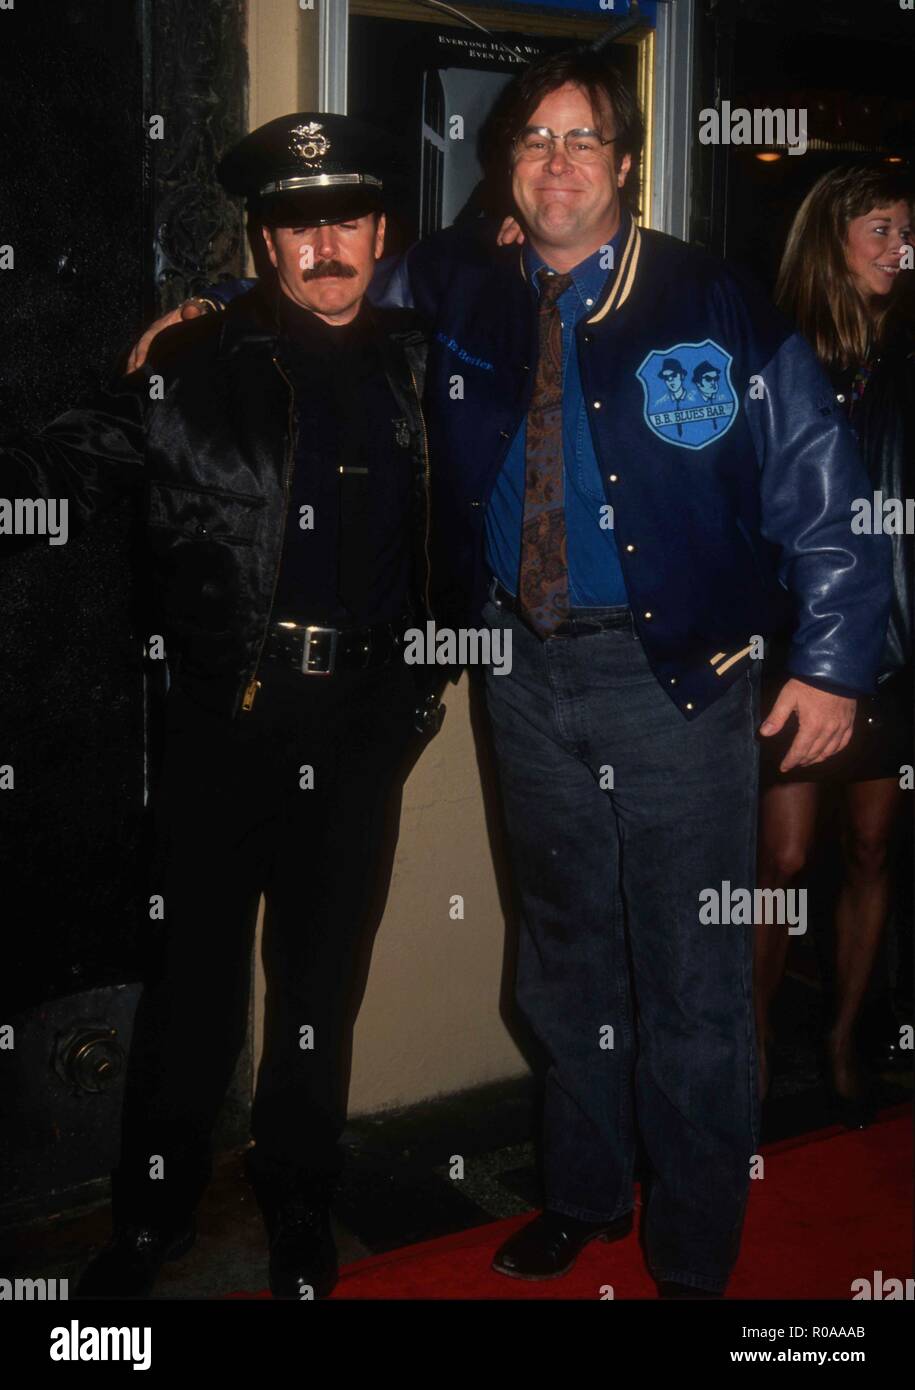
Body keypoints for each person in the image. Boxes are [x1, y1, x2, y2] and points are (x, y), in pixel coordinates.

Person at [131, 49, 892, 1299]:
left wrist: (834, 663)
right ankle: (585, 1195)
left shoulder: (717, 301)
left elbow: (826, 490)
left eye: (582, 139)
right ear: (506, 166)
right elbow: (331, 281)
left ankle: (695, 1254)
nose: (555, 163)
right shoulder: (463, 281)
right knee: (564, 962)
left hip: (679, 684)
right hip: (525, 679)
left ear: (627, 162)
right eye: (532, 141)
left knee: (693, 988)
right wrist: (216, 300)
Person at [0, 112, 445, 1300]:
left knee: (319, 993)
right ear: (263, 244)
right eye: (297, 225)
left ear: (381, 230)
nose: (325, 244)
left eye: (346, 218)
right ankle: (151, 1222)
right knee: (190, 992)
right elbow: (60, 463)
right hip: (220, 730)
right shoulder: (193, 365)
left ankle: (300, 1202)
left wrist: (417, 695)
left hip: (359, 733)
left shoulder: (428, 362)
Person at [754, 165, 914, 1124]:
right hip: (799, 640)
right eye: (883, 227)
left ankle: (845, 1039)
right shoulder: (780, 351)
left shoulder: (908, 350)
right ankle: (752, 1044)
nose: (902, 245)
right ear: (832, 237)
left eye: (912, 229)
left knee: (869, 847)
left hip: (897, 642)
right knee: (777, 859)